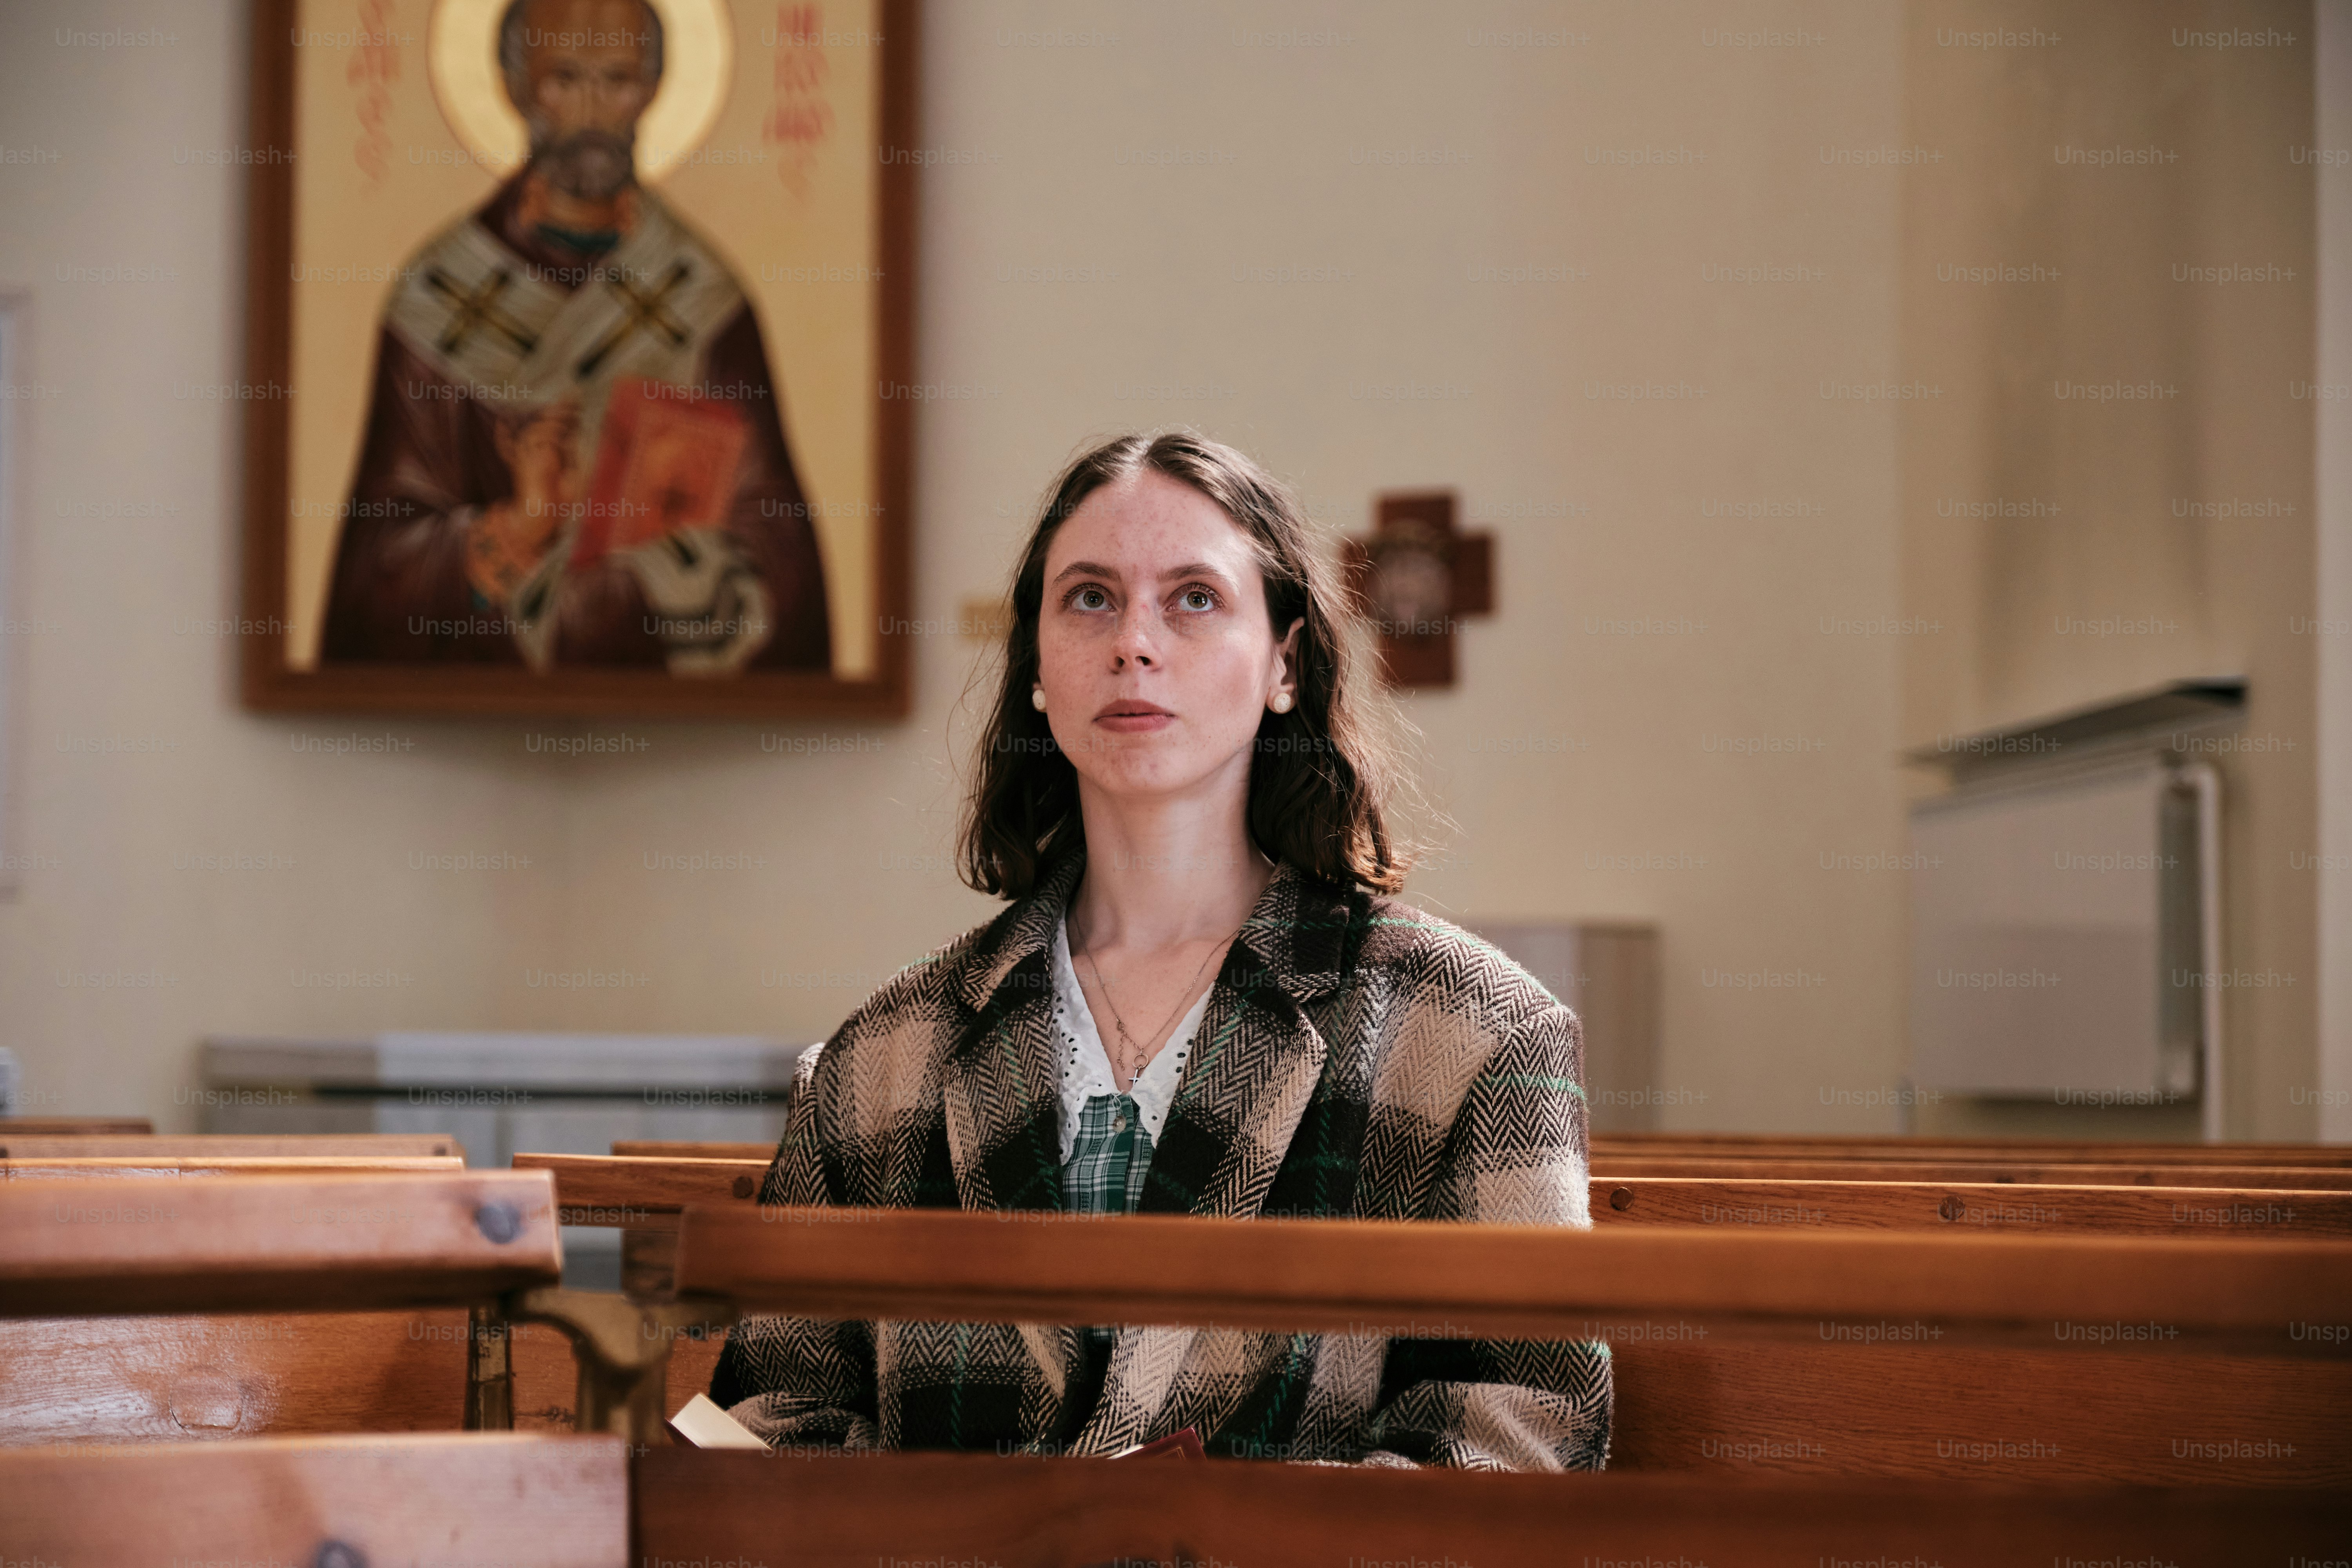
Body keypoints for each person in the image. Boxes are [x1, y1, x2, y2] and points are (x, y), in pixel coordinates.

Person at [710, 432, 1608, 1469]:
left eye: (1194, 598)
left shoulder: (1476, 1037)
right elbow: (772, 1423)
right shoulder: (878, 1062)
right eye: (1090, 598)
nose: (1135, 641)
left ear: (1286, 661)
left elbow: (1518, 1443)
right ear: (1037, 668)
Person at [319, 0, 829, 673]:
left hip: (660, 704)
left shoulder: (706, 299)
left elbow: (780, 557)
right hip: (475, 718)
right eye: (564, 79)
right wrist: (508, 535)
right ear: (515, 86)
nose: (591, 113)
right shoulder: (436, 298)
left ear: (652, 90)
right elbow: (375, 576)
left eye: (617, 80)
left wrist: (649, 579)